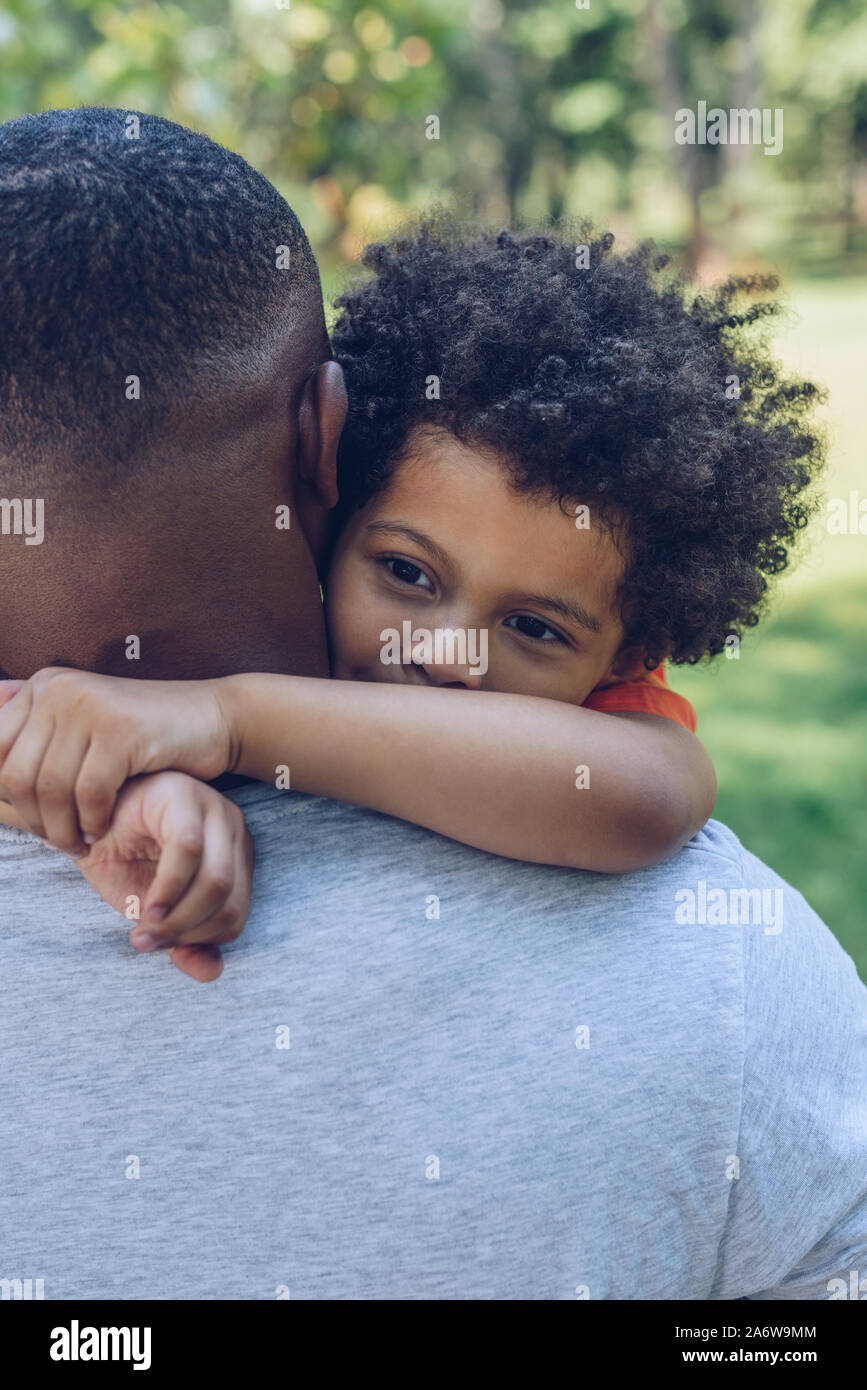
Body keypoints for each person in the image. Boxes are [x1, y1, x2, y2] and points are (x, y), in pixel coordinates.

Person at [0, 107, 864, 1300]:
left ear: (631, 648)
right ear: (335, 462)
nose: (446, 653)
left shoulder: (601, 731)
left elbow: (648, 798)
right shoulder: (734, 991)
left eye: (536, 628)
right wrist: (119, 782)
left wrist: (228, 719)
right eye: (407, 573)